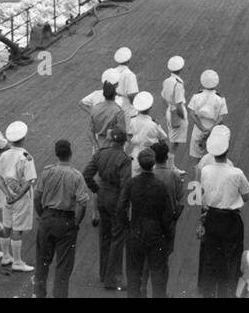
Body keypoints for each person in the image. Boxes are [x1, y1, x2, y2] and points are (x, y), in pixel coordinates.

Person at [197, 125, 249, 298]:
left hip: (211, 217)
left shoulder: (205, 169)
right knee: (231, 258)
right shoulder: (236, 172)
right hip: (231, 221)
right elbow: (246, 196)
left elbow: (198, 193)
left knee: (211, 257)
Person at [32, 139, 89, 298]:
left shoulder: (47, 172)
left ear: (56, 154)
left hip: (47, 218)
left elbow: (37, 197)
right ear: (70, 154)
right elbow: (83, 204)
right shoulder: (76, 176)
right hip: (66, 221)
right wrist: (76, 222)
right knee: (63, 266)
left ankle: (38, 295)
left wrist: (42, 214)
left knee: (42, 263)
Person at [116, 148, 175, 297]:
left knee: (134, 275)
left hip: (136, 232)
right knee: (158, 277)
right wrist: (167, 234)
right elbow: (168, 214)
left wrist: (127, 228)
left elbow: (120, 208)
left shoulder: (131, 183)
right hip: (156, 234)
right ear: (153, 163)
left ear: (140, 164)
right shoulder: (160, 186)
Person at [83, 128, 131, 290]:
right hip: (116, 198)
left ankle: (104, 273)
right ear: (124, 142)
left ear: (111, 140)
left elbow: (86, 174)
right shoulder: (124, 159)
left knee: (104, 236)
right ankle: (113, 279)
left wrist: (96, 189)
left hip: (102, 195)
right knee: (117, 239)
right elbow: (125, 185)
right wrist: (125, 206)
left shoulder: (100, 153)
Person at [0, 120, 37, 272]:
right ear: (23, 138)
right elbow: (29, 181)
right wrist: (18, 196)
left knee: (6, 225)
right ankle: (17, 261)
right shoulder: (26, 157)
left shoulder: (4, 155)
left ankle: (6, 255)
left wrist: (7, 193)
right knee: (17, 229)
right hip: (21, 198)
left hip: (6, 195)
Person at [150, 141, 186, 255]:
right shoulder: (173, 176)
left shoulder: (148, 174)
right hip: (168, 217)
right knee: (165, 252)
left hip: (151, 217)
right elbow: (180, 195)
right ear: (166, 157)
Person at [187, 69, 228, 164]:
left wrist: (202, 129)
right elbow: (221, 118)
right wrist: (210, 130)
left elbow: (192, 114)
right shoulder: (220, 98)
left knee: (197, 161)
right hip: (214, 129)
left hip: (199, 128)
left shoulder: (196, 96)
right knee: (215, 157)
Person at [126, 91, 167, 175]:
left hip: (136, 153)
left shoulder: (132, 121)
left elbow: (129, 135)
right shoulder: (153, 124)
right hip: (150, 154)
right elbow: (164, 137)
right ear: (150, 107)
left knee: (135, 178)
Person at [80, 80, 127, 153]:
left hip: (99, 147)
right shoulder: (118, 111)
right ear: (115, 94)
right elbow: (122, 134)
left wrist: (96, 147)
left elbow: (90, 132)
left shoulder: (95, 109)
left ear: (104, 94)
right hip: (115, 150)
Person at [161, 56, 188, 174]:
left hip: (169, 110)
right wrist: (183, 117)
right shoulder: (178, 84)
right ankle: (170, 167)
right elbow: (178, 104)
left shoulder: (166, 81)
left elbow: (163, 97)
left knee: (173, 139)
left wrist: (168, 108)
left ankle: (169, 166)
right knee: (174, 142)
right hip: (176, 113)